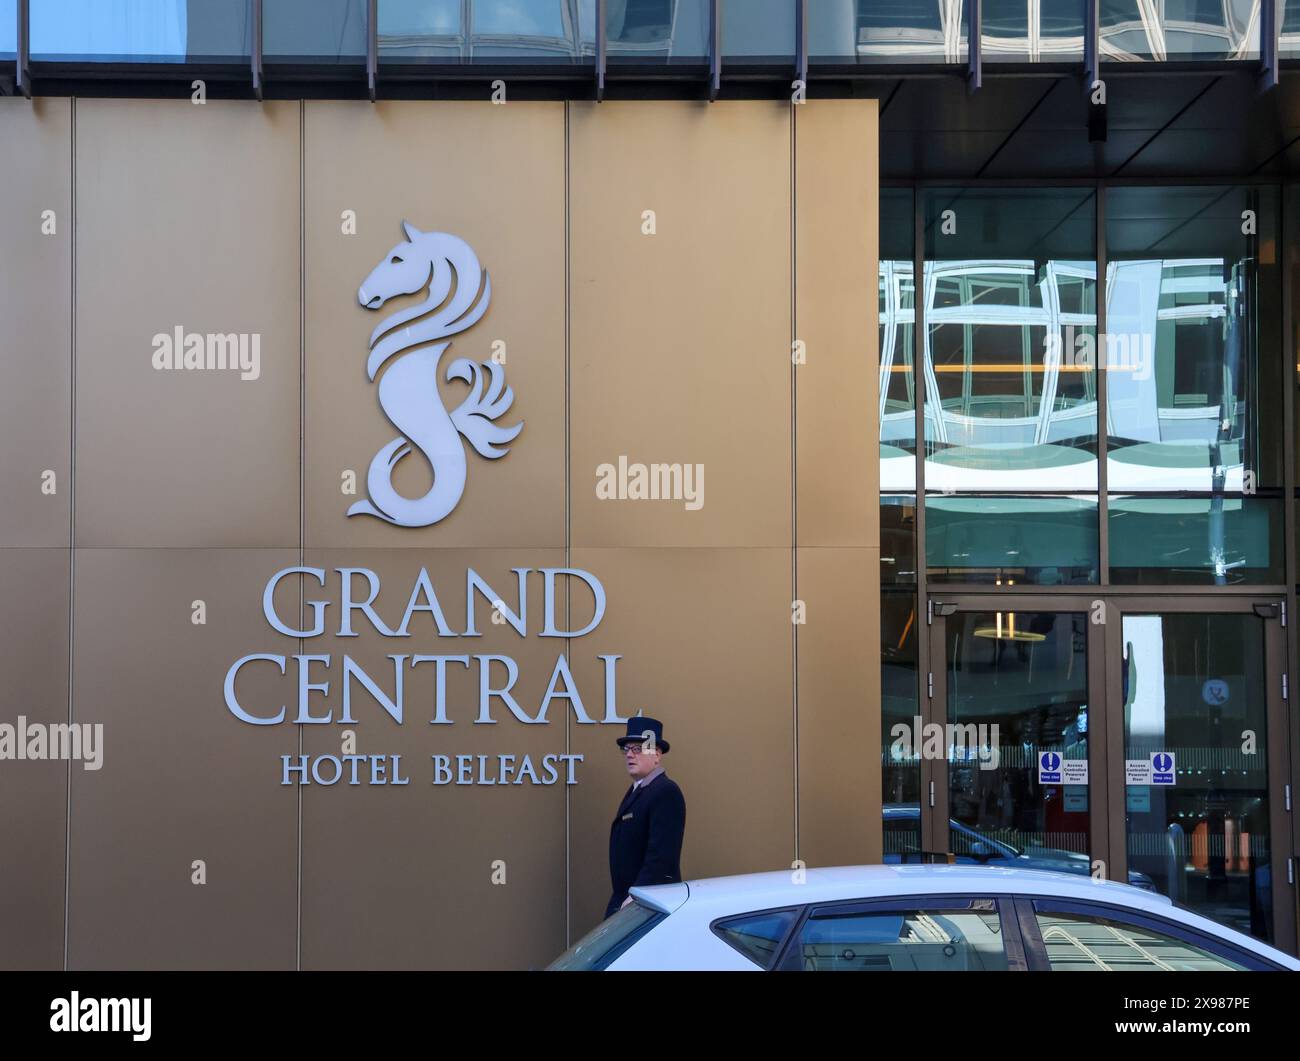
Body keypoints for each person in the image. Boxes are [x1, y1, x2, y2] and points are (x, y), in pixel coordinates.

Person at [605, 716, 686, 918]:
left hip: (647, 905)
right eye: (627, 749)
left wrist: (635, 897)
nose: (629, 755)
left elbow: (660, 858)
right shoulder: (638, 790)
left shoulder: (666, 791)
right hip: (631, 902)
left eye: (638, 749)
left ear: (657, 754)